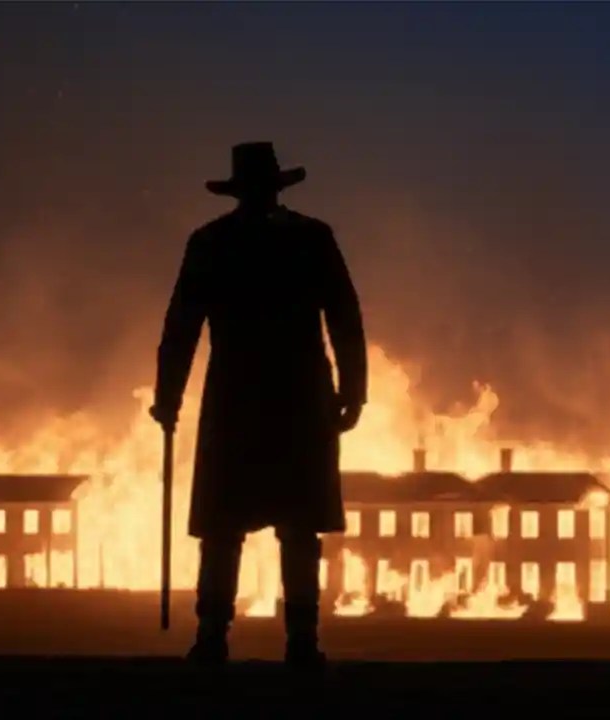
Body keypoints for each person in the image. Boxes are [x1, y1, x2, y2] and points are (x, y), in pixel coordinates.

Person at [150, 141, 368, 669]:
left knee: (224, 526)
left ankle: (211, 636)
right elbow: (344, 319)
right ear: (277, 186)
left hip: (236, 397)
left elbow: (181, 326)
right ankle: (300, 640)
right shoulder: (312, 239)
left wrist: (168, 396)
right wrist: (351, 391)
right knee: (298, 526)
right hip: (300, 395)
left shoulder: (212, 242)